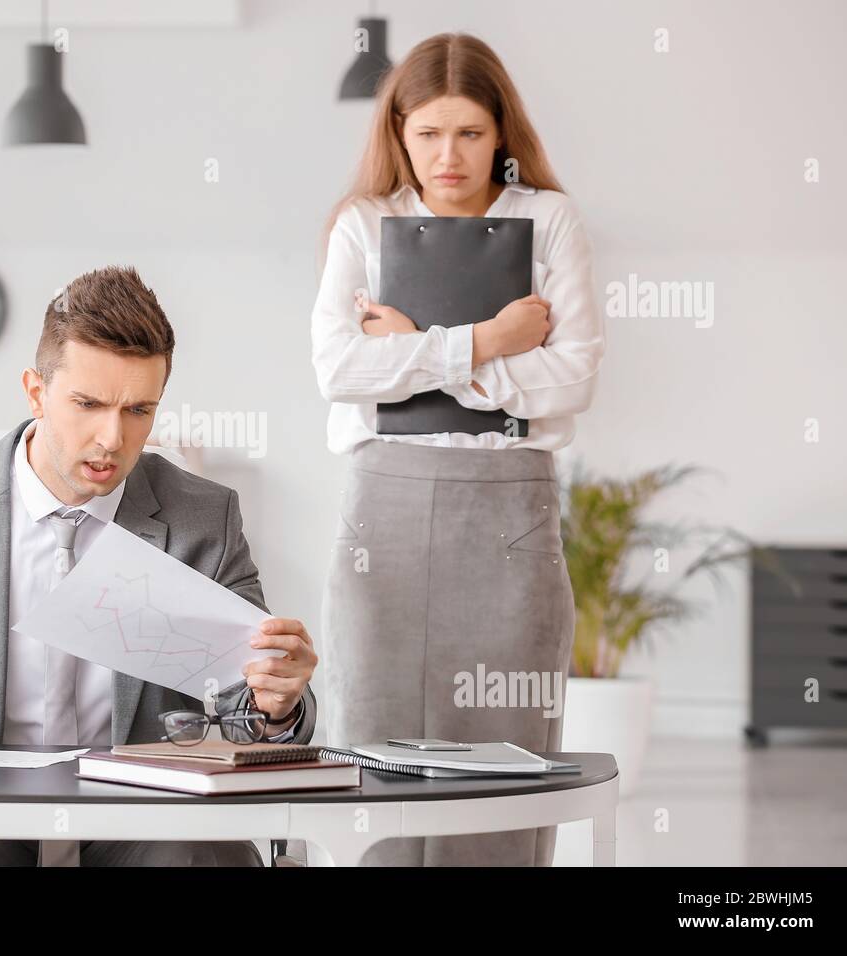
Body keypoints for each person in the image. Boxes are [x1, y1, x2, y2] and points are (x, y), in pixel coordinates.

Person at [0, 265, 319, 867]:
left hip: (137, 816)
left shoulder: (203, 516)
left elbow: (246, 711)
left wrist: (277, 703)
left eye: (138, 411)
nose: (111, 438)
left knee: (203, 857)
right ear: (35, 391)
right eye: (88, 404)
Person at [311, 33, 605, 866]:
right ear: (399, 132)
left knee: (505, 757)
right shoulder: (364, 226)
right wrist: (487, 340)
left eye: (471, 134)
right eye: (430, 133)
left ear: (502, 132)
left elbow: (573, 376)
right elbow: (339, 369)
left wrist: (422, 354)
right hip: (384, 510)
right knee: (374, 741)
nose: (450, 155)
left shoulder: (546, 218)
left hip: (509, 508)